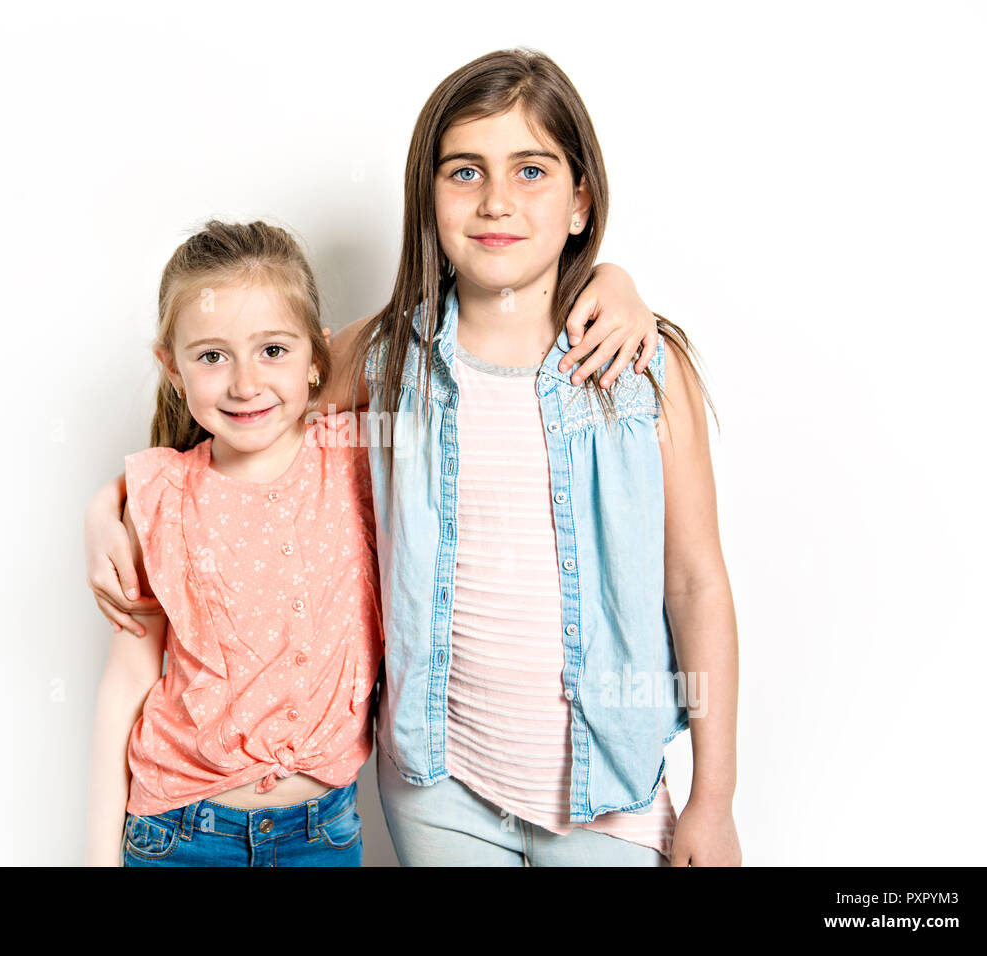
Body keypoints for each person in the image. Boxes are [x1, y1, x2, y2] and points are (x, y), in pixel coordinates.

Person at [320, 47, 741, 866]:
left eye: (533, 171)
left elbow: (695, 583)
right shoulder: (388, 359)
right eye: (465, 173)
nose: (498, 201)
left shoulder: (646, 369)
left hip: (609, 794)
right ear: (429, 197)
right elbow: (254, 396)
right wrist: (116, 514)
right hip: (438, 785)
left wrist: (713, 800)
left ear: (581, 202)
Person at [84, 219, 381, 867]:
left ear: (317, 359)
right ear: (172, 367)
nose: (245, 383)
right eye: (212, 356)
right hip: (179, 834)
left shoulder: (357, 454)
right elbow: (128, 678)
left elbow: (431, 325)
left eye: (273, 349)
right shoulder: (162, 497)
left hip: (323, 835)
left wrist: (612, 282)